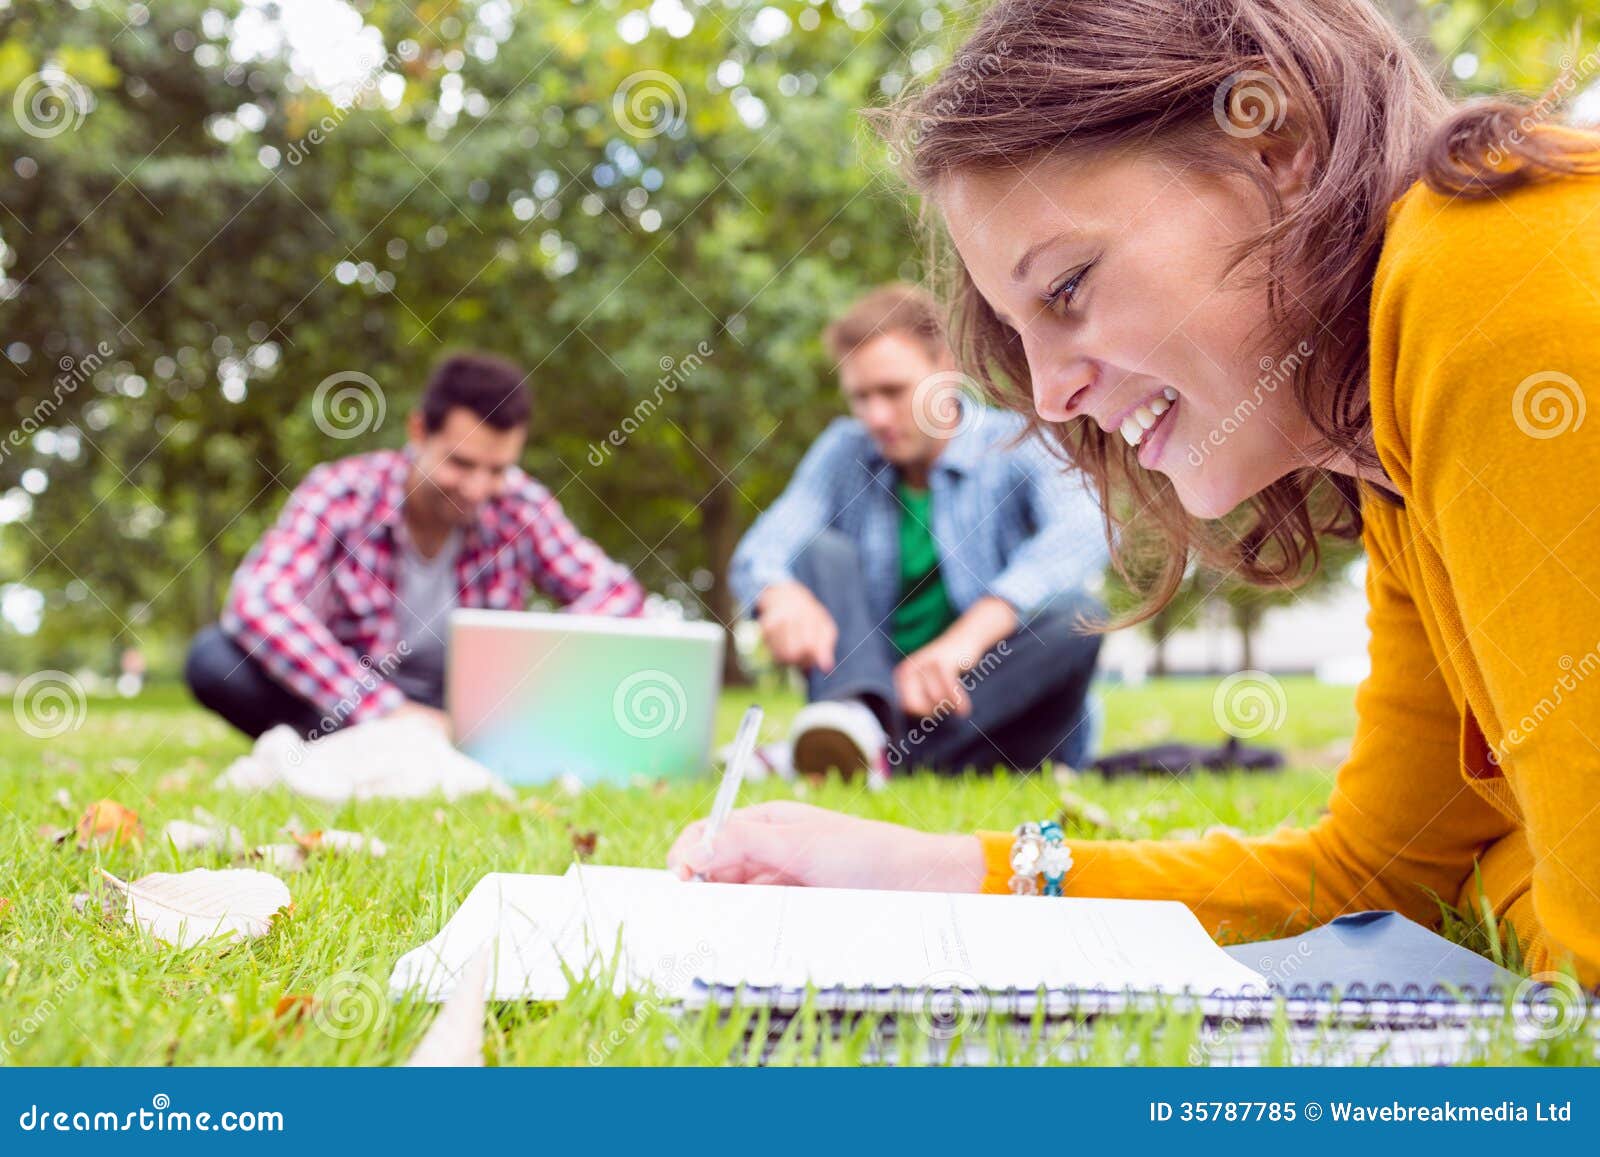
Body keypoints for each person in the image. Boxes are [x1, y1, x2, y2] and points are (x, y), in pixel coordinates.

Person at [672, 0, 1600, 986]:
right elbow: (1374, 872)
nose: (1045, 392)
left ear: (1271, 143)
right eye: (1018, 330)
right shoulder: (1397, 473)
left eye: (1067, 287)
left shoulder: (1502, 278)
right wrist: (920, 867)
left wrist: (1510, 876)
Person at [730, 283, 1108, 778]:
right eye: (860, 398)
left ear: (945, 370)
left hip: (990, 713)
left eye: (892, 391)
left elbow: (1090, 529)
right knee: (816, 553)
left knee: (1078, 615)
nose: (876, 417)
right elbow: (769, 541)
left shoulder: (1015, 441)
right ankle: (862, 727)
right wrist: (778, 594)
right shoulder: (846, 451)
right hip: (877, 699)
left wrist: (969, 638)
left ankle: (869, 755)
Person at [185, 352, 644, 741]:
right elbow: (257, 600)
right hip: (353, 699)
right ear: (419, 431)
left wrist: (531, 665)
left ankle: (401, 747)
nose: (478, 487)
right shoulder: (343, 491)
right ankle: (385, 743)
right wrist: (387, 711)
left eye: (498, 469)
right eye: (461, 462)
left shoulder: (520, 505)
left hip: (463, 710)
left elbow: (617, 593)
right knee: (215, 661)